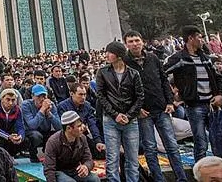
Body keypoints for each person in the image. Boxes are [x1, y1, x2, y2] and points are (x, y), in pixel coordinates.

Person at [123, 30, 187, 182]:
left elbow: (164, 81)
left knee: (172, 146)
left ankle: (181, 178)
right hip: (143, 113)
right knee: (150, 149)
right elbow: (124, 90)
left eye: (137, 40)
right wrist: (136, 109)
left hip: (162, 109)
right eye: (130, 41)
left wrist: (170, 102)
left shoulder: (153, 58)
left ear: (142, 42)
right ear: (126, 44)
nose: (134, 44)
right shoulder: (125, 62)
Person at [165, 25, 222, 162]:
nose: (202, 40)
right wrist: (173, 92)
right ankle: (201, 169)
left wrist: (220, 94)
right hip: (194, 105)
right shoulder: (179, 58)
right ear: (190, 38)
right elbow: (162, 75)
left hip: (212, 104)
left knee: (218, 138)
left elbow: (219, 77)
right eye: (199, 37)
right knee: (201, 141)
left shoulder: (206, 58)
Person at [95, 41, 144, 182]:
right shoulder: (103, 72)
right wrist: (115, 114)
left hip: (131, 120)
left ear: (118, 55)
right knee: (112, 159)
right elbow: (101, 96)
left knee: (132, 160)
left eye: (110, 52)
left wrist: (128, 115)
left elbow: (140, 97)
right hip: (111, 120)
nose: (107, 55)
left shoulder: (134, 73)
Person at [43, 111, 99, 182]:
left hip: (74, 169)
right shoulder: (53, 142)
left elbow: (88, 159)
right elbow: (49, 169)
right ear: (69, 128)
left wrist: (86, 167)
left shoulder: (82, 138)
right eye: (79, 126)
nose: (83, 128)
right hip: (58, 171)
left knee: (94, 179)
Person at [57, 84, 104, 159]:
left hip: (81, 135)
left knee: (100, 153)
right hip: (67, 137)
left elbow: (92, 124)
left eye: (85, 94)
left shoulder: (87, 105)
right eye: (80, 94)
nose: (83, 97)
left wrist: (98, 140)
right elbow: (63, 127)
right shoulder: (62, 106)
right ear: (71, 94)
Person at [21, 84, 62, 163]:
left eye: (44, 96)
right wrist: (42, 110)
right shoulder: (26, 105)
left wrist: (49, 114)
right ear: (32, 96)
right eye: (39, 96)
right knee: (36, 135)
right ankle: (32, 154)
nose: (42, 99)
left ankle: (49, 154)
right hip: (30, 132)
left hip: (45, 130)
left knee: (60, 134)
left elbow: (59, 127)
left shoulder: (51, 105)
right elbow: (32, 125)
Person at [0, 89, 26, 158]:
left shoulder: (17, 109)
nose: (10, 103)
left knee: (27, 139)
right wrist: (8, 137)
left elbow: (21, 126)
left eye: (13, 100)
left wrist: (20, 136)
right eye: (8, 99)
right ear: (2, 99)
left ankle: (12, 155)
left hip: (11, 134)